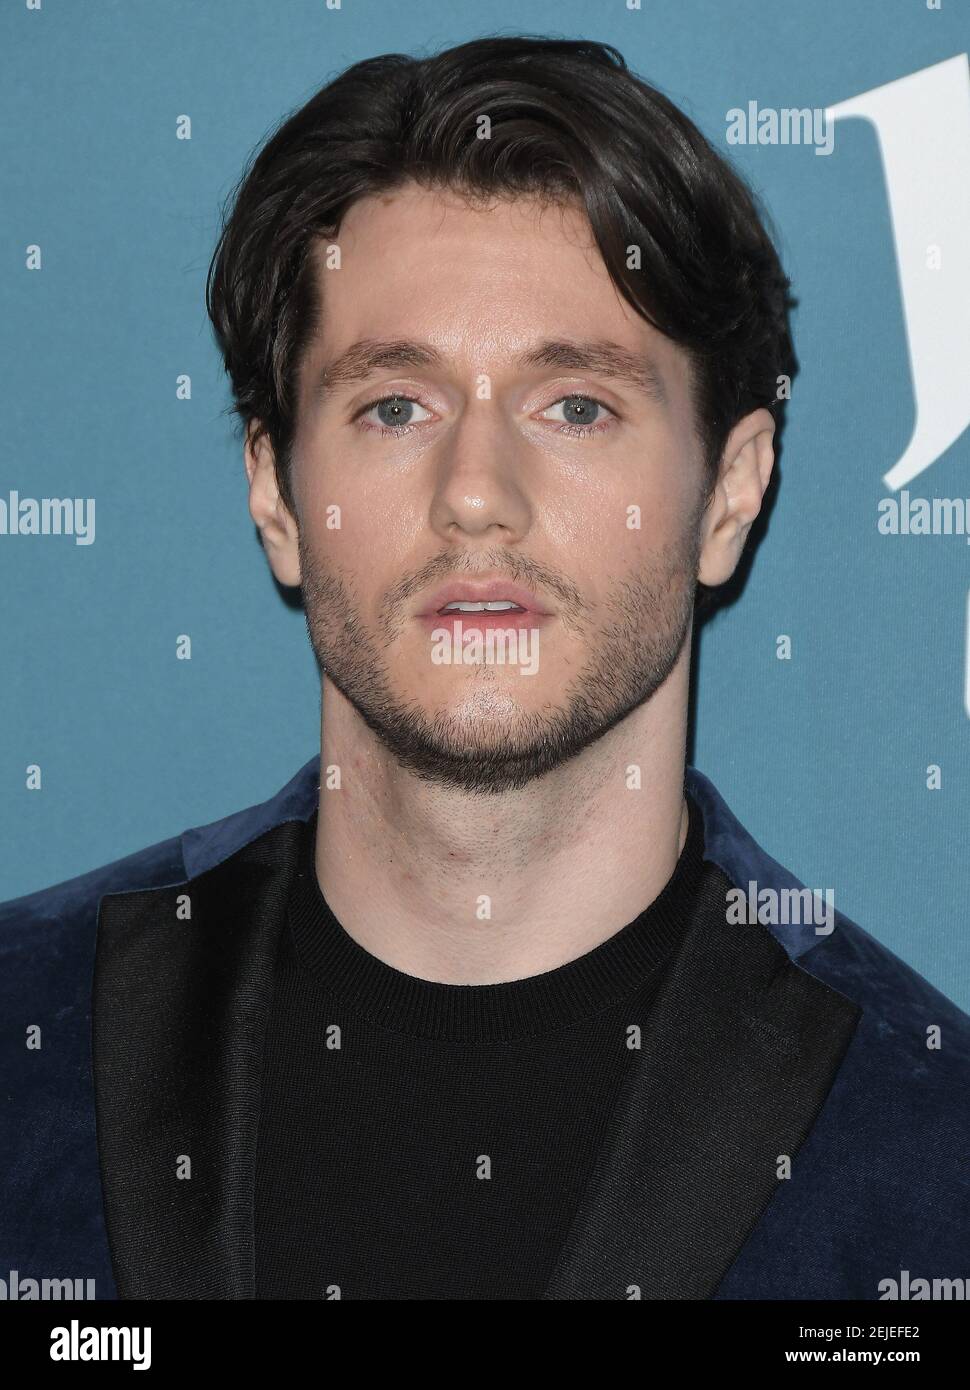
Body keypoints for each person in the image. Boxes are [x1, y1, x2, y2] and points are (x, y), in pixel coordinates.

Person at [2, 35, 968, 1302]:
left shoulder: (930, 1149)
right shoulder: (27, 1037)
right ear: (274, 493)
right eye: (393, 406)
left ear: (729, 495)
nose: (474, 497)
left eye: (575, 406)